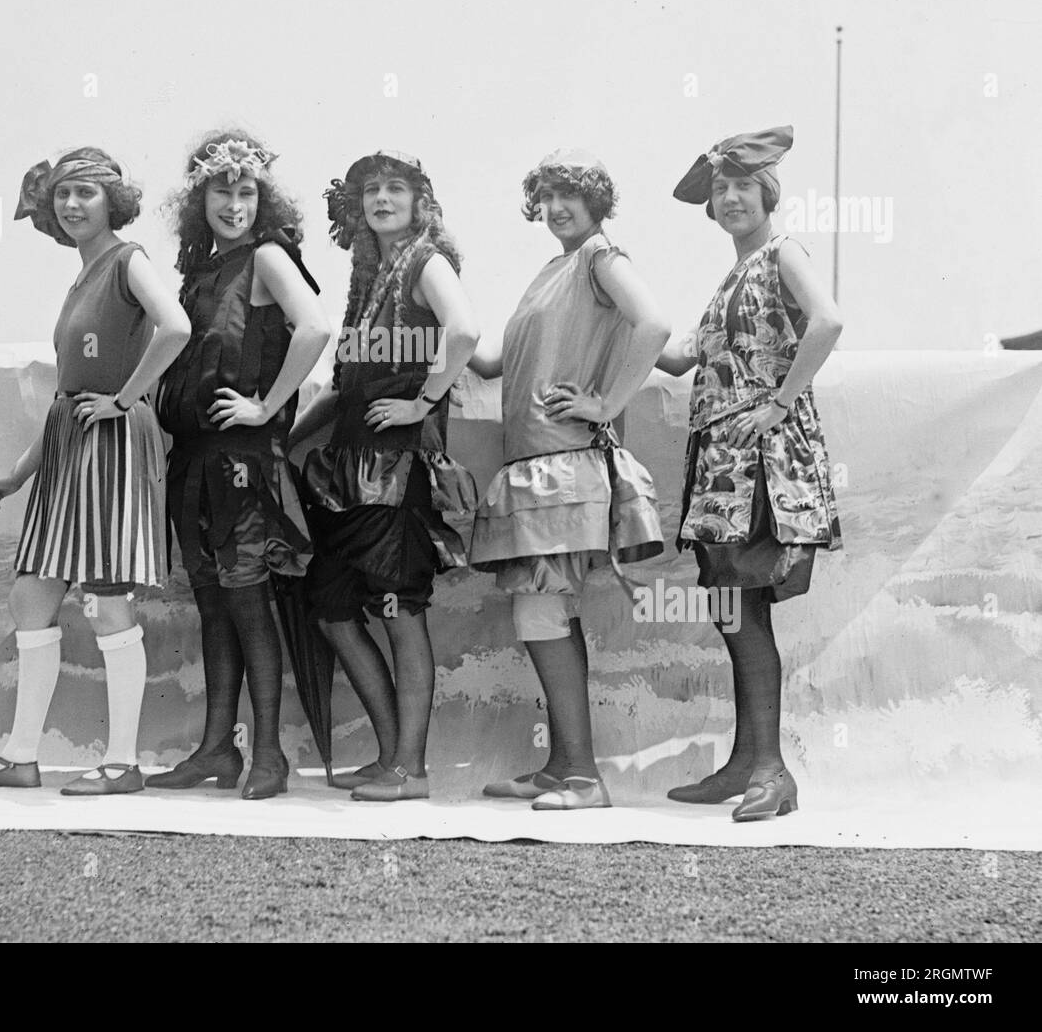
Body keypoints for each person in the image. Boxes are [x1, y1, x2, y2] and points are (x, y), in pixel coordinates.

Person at [0, 147, 190, 795]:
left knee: (108, 599)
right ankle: (20, 755)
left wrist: (126, 398)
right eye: (63, 196)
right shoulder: (82, 276)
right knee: (32, 592)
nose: (73, 204)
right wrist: (19, 475)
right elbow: (66, 396)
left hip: (110, 446)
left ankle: (121, 762)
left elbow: (176, 327)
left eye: (85, 192)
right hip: (67, 448)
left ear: (112, 198)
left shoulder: (126, 260)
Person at [469, 149, 670, 810]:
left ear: (596, 202)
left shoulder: (600, 258)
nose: (557, 207)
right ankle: (563, 766)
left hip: (564, 465)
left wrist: (605, 404)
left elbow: (655, 325)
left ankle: (584, 776)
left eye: (570, 196)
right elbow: (494, 361)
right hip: (532, 466)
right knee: (543, 607)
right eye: (548, 196)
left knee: (541, 607)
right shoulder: (553, 269)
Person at [656, 126, 843, 821]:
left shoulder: (780, 251)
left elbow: (827, 320)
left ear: (767, 193)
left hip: (762, 462)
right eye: (720, 190)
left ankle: (773, 770)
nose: (730, 198)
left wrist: (780, 403)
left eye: (742, 186)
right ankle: (744, 762)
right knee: (734, 612)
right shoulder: (731, 277)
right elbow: (677, 356)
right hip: (721, 467)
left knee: (747, 611)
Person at [290, 151, 479, 802]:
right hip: (345, 477)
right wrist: (278, 437)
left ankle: (412, 768)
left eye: (396, 187)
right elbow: (343, 389)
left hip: (396, 475)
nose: (381, 198)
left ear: (419, 200)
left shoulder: (425, 262)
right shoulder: (368, 279)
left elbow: (466, 330)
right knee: (332, 610)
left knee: (401, 614)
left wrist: (423, 400)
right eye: (371, 189)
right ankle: (392, 753)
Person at [149, 132, 330, 800]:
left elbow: (313, 327)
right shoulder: (199, 274)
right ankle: (216, 748)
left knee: (251, 607)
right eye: (221, 190)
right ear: (200, 200)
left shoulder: (267, 257)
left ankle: (271, 755)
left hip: (244, 464)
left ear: (263, 198)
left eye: (246, 190)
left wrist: (265, 406)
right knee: (213, 607)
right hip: (195, 460)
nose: (234, 202)